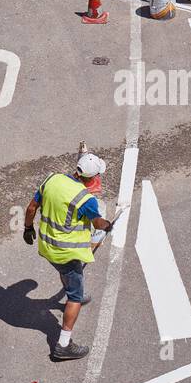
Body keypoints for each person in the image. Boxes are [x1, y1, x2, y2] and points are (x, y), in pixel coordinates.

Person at [22, 151, 113, 361]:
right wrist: (107, 225)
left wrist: (28, 229)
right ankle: (63, 344)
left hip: (47, 247)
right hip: (66, 252)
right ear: (93, 178)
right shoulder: (86, 199)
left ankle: (74, 292)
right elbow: (98, 223)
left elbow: (31, 207)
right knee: (74, 296)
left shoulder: (52, 180)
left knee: (66, 273)